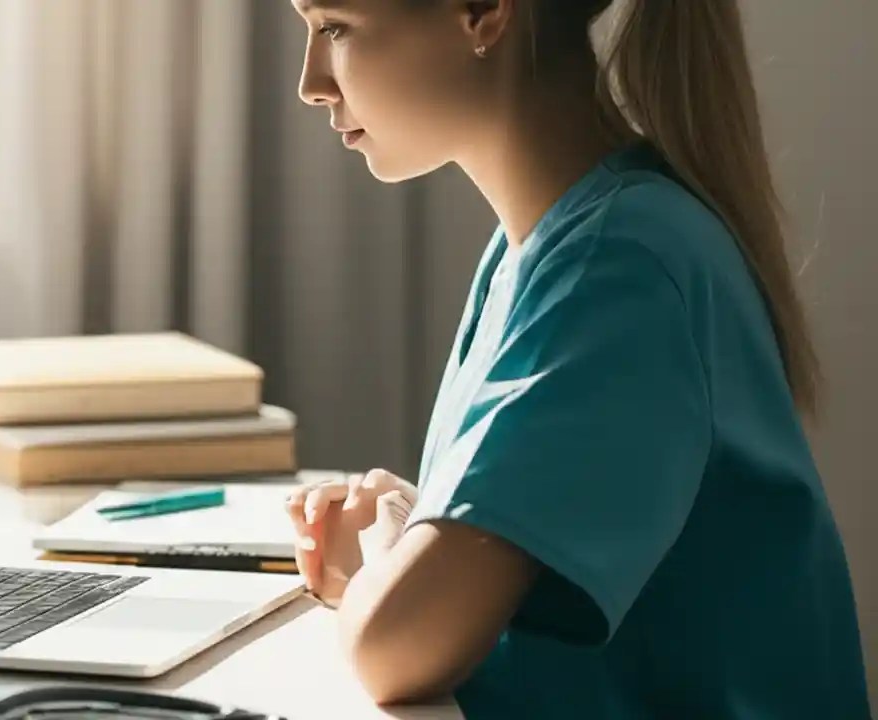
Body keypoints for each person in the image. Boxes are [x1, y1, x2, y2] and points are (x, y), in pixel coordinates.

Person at [282, 0, 872, 716]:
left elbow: (393, 645)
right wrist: (420, 552)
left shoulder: (618, 266)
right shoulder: (540, 249)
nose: (311, 84)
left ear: (482, 11)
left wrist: (384, 553)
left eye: (334, 26)